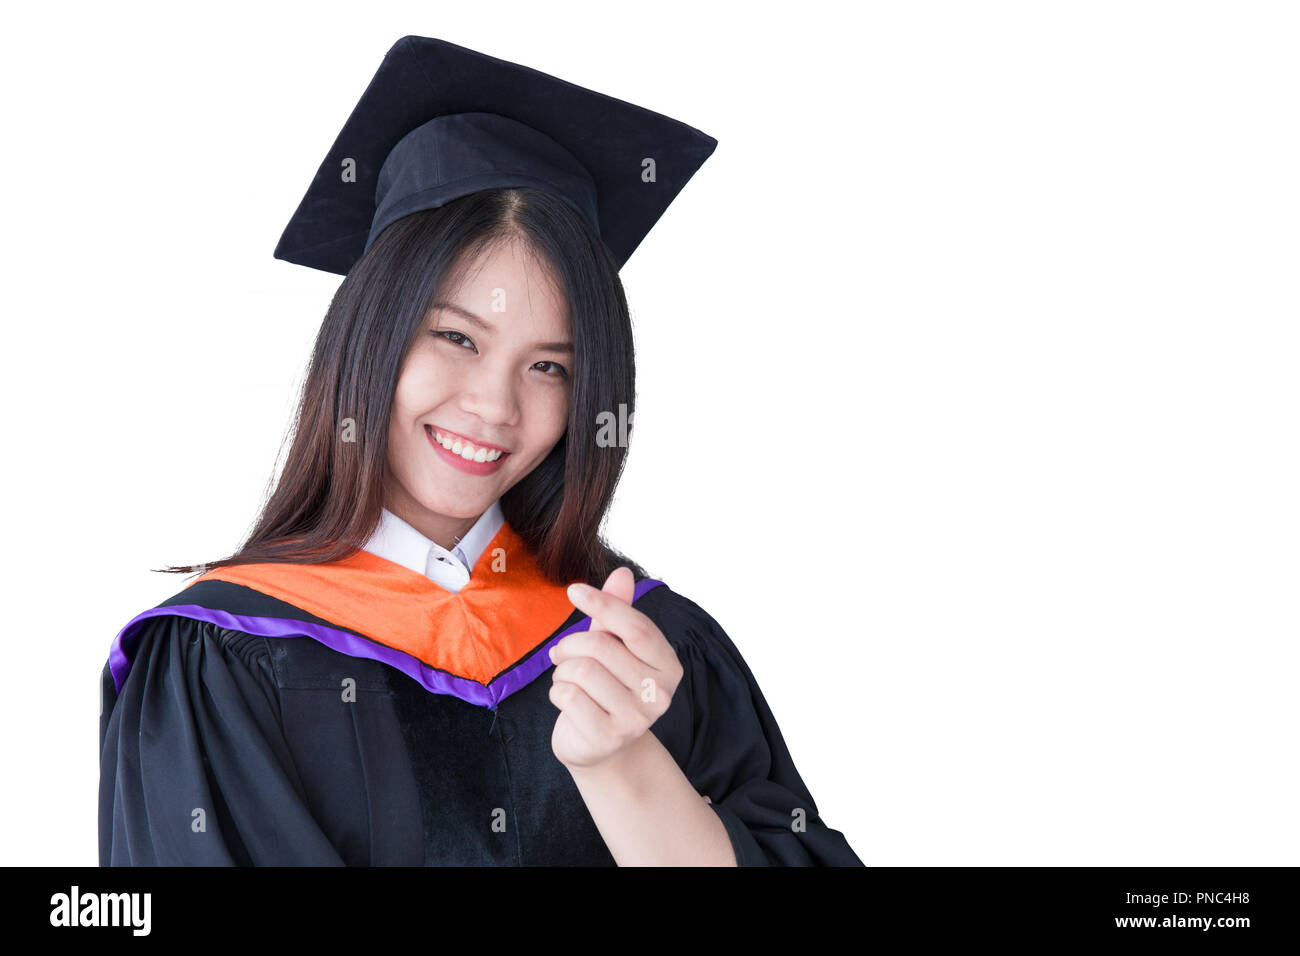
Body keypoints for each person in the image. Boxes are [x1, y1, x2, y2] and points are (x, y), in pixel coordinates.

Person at [98, 35, 864, 867]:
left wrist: (622, 763)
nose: (496, 406)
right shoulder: (226, 654)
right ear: (369, 333)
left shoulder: (644, 647)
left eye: (549, 367)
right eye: (457, 337)